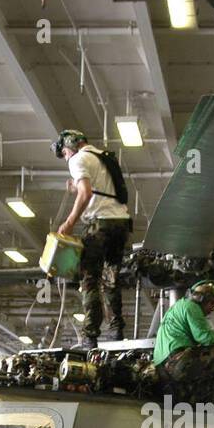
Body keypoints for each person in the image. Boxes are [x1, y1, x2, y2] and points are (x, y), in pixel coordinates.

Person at [54, 129, 132, 347]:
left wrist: (69, 223)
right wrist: (75, 186)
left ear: (69, 147)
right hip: (121, 224)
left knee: (90, 279)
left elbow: (86, 193)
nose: (66, 159)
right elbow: (100, 190)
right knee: (111, 280)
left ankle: (90, 335)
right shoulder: (104, 157)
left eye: (65, 154)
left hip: (100, 225)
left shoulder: (78, 158)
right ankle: (117, 330)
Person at [152, 279, 214, 403]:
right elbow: (204, 337)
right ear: (200, 297)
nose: (213, 308)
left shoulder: (177, 307)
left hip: (162, 369)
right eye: (212, 302)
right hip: (177, 363)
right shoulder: (192, 306)